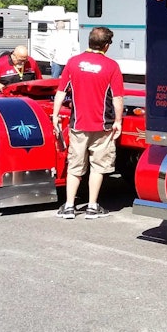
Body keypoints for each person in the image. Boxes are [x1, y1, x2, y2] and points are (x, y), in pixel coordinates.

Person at [51, 26, 124, 219]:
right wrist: (118, 121)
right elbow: (117, 98)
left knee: (75, 166)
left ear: (89, 41)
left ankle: (68, 206)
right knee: (98, 167)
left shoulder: (73, 63)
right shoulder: (111, 66)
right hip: (103, 126)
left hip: (78, 125)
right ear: (106, 45)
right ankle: (92, 207)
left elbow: (60, 92)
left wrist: (55, 115)